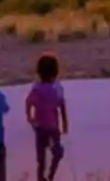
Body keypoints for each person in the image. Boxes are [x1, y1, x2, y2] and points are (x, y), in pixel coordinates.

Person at [25, 53, 67, 181]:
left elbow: (28, 102)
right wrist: (65, 123)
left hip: (40, 126)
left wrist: (29, 117)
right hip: (52, 127)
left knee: (41, 157)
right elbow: (62, 106)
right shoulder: (57, 88)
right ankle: (49, 176)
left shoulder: (36, 88)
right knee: (57, 152)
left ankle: (42, 177)